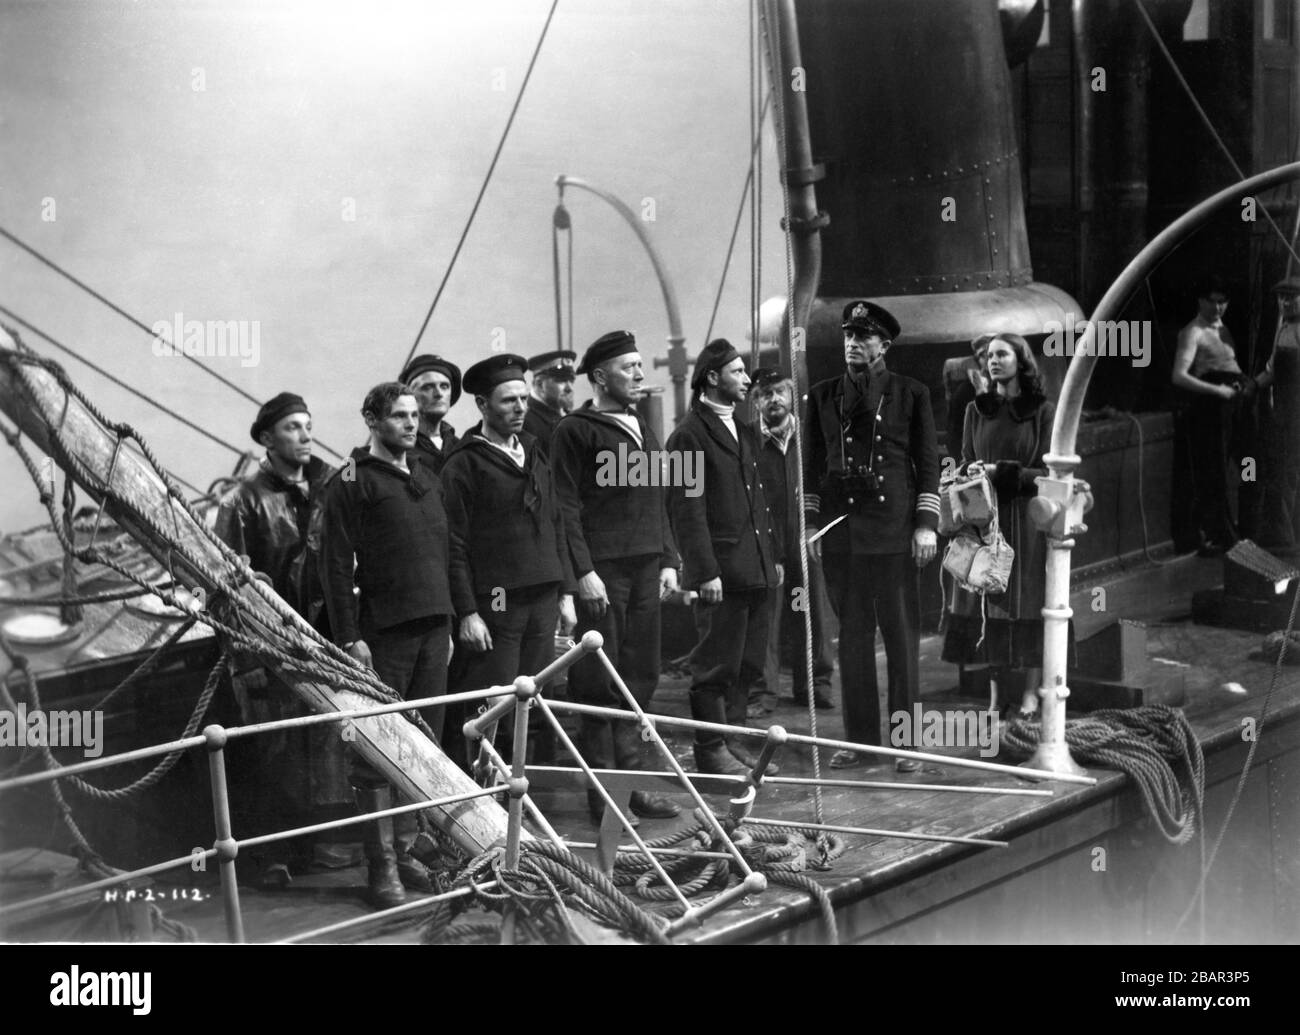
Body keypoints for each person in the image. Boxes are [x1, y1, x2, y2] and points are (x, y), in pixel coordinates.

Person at [318, 382, 453, 908]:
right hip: (384, 634)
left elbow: (446, 551)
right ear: (372, 421)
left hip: (432, 628)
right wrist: (350, 636)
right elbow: (334, 564)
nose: (411, 424)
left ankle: (412, 849)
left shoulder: (425, 475)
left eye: (414, 415)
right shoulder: (351, 479)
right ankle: (382, 869)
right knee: (378, 751)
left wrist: (450, 617)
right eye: (398, 416)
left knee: (426, 744)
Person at [550, 330, 681, 825]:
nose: (640, 375)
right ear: (601, 377)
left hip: (647, 568)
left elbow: (659, 497)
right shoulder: (575, 430)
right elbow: (564, 507)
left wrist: (669, 558)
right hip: (603, 574)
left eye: (641, 365)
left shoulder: (640, 425)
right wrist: (582, 573)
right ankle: (605, 799)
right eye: (630, 367)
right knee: (597, 682)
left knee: (639, 676)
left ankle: (632, 785)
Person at [803, 301, 939, 771]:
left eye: (863, 337)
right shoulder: (821, 397)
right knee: (853, 642)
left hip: (896, 534)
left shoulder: (910, 393)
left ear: (884, 345)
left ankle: (906, 745)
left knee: (901, 640)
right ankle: (860, 743)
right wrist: (810, 523)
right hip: (844, 538)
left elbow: (928, 465)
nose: (852, 344)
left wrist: (926, 525)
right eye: (848, 336)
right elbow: (811, 466)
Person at [215, 392, 337, 889]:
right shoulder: (242, 501)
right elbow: (222, 583)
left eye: (308, 425)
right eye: (292, 427)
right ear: (267, 438)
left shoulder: (327, 490)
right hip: (266, 647)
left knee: (315, 743)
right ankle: (271, 856)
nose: (305, 435)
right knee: (272, 750)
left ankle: (311, 847)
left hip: (319, 641)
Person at [440, 354, 577, 761]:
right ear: (482, 405)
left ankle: (525, 798)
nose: (519, 409)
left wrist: (566, 592)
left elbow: (556, 522)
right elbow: (455, 545)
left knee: (536, 703)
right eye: (507, 401)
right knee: (495, 707)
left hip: (543, 598)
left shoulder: (534, 451)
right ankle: (489, 801)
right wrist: (467, 612)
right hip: (497, 601)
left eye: (522, 399)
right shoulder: (464, 463)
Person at [666, 341, 780, 776]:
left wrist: (772, 561)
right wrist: (705, 572)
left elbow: (758, 502)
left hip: (754, 570)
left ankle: (733, 742)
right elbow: (685, 509)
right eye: (737, 372)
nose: (747, 380)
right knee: (715, 665)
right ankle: (710, 748)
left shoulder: (744, 430)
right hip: (722, 576)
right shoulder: (687, 436)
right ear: (712, 377)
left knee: (747, 664)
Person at [940, 333, 1056, 719]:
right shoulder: (977, 409)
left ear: (1020, 361)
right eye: (989, 356)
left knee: (1025, 601)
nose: (993, 361)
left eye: (1002, 354)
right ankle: (995, 695)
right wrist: (971, 485)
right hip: (986, 518)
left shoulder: (1041, 410)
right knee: (988, 600)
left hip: (1026, 518)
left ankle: (1029, 693)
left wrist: (1000, 472)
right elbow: (967, 460)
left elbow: (1048, 471)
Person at [749, 367, 834, 716]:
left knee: (811, 613)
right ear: (756, 401)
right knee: (766, 620)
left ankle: (815, 686)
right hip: (769, 545)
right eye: (765, 394)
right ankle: (762, 692)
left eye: (779, 392)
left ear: (790, 396)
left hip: (807, 541)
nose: (773, 400)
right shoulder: (750, 443)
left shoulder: (811, 442)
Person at [1170, 275, 1255, 555]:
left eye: (1223, 302)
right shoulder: (1193, 332)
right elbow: (1179, 376)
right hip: (1211, 408)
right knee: (1213, 473)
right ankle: (1220, 535)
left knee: (1248, 464)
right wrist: (1217, 391)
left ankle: (1245, 528)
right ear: (1201, 302)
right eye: (1213, 302)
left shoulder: (1223, 330)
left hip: (1235, 403)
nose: (1218, 308)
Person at [1258, 276, 1300, 552]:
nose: (1285, 302)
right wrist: (1251, 386)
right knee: (1284, 472)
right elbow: (1272, 371)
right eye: (1281, 298)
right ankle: (1287, 539)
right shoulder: (1282, 328)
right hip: (1285, 413)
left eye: (1291, 297)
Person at [399, 353, 462, 476]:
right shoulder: (396, 446)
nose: (439, 393)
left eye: (444, 386)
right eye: (427, 387)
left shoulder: (461, 447)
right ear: (409, 397)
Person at [942, 335, 992, 456]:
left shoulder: (996, 383)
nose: (988, 359)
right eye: (983, 355)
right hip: (968, 447)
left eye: (990, 354)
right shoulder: (966, 390)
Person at [522, 349, 577, 456]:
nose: (569, 388)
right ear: (539, 384)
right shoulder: (524, 422)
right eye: (561, 380)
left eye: (571, 380)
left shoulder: (566, 415)